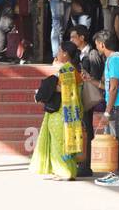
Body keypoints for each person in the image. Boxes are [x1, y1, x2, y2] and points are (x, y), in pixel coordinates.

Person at [30, 41, 86, 181]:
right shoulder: (74, 69)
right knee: (67, 141)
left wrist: (46, 89)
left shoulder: (66, 70)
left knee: (59, 142)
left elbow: (65, 90)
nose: (58, 54)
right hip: (73, 113)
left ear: (66, 54)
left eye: (60, 51)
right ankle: (69, 171)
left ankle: (63, 172)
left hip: (62, 113)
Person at [95, 32, 119, 188]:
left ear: (102, 44)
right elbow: (110, 86)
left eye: (97, 43)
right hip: (117, 105)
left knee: (117, 141)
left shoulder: (114, 60)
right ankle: (114, 172)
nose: (96, 46)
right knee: (113, 140)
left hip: (118, 106)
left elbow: (114, 87)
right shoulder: (114, 59)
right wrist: (92, 81)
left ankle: (118, 175)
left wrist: (107, 112)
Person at [72, 27, 105, 178]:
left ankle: (86, 164)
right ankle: (81, 161)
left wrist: (86, 76)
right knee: (82, 128)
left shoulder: (92, 54)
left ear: (82, 37)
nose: (72, 40)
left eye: (74, 37)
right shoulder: (78, 54)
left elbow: (97, 75)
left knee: (87, 128)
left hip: (87, 95)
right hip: (78, 95)